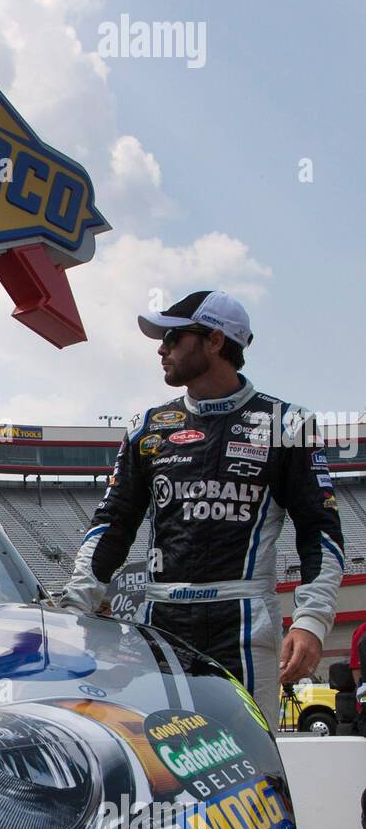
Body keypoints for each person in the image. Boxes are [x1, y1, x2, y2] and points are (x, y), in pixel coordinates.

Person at [61, 290, 344, 724]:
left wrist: (311, 619)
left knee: (252, 760)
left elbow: (320, 530)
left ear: (214, 341)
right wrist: (76, 605)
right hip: (162, 620)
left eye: (173, 338)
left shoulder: (288, 424)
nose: (161, 348)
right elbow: (113, 524)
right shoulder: (147, 428)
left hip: (245, 622)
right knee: (167, 758)